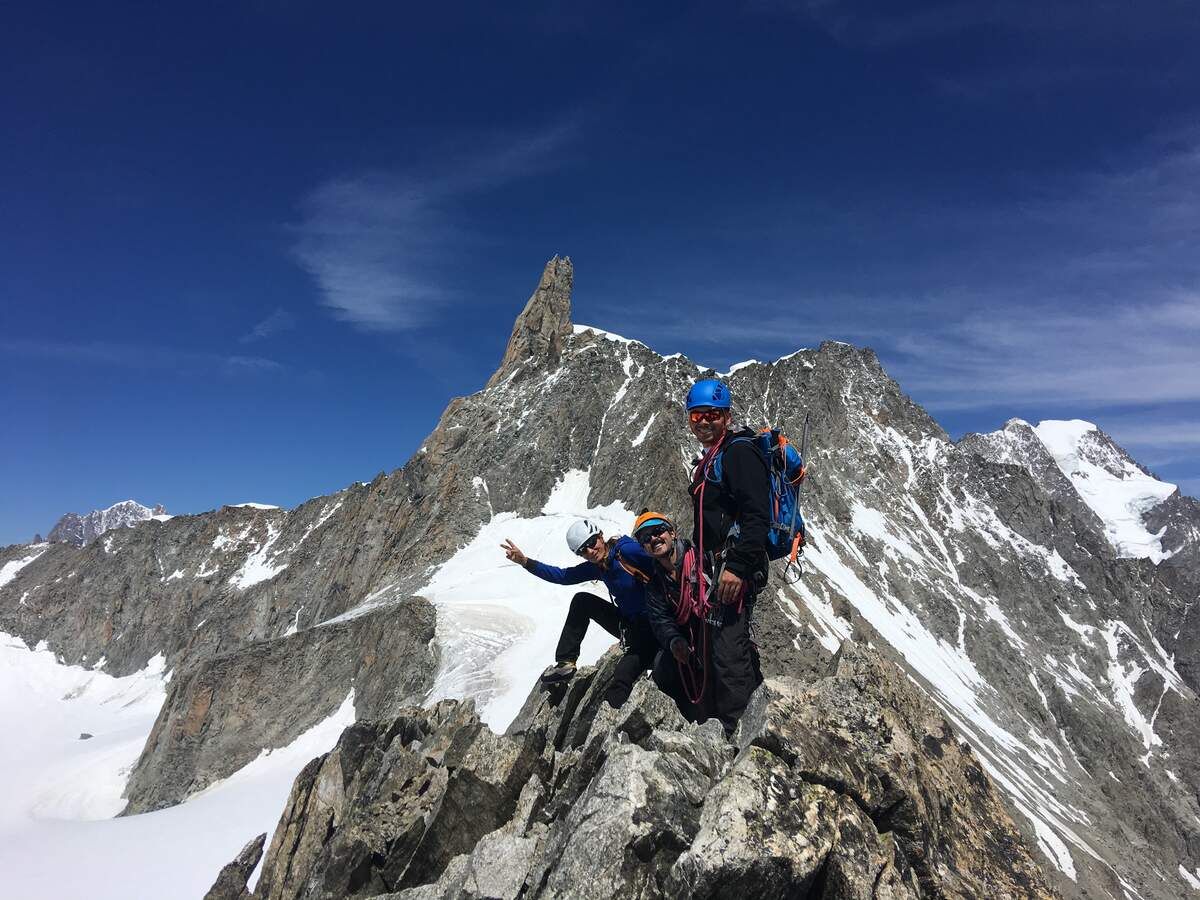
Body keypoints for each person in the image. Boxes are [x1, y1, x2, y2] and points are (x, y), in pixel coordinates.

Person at [644, 379, 770, 733]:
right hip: (717, 570)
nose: (703, 422)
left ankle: (740, 736)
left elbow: (757, 515)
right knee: (718, 645)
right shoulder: (713, 458)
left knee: (728, 654)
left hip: (733, 571)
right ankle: (736, 721)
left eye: (712, 414)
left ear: (727, 416)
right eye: (697, 415)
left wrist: (738, 568)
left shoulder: (738, 453)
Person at [500, 518, 658, 708]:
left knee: (639, 674)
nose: (590, 551)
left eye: (592, 543)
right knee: (582, 601)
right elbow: (563, 576)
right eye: (583, 550)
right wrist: (525, 562)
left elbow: (662, 564)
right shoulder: (599, 567)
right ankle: (566, 663)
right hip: (635, 631)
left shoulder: (626, 551)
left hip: (660, 625)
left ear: (600, 536)